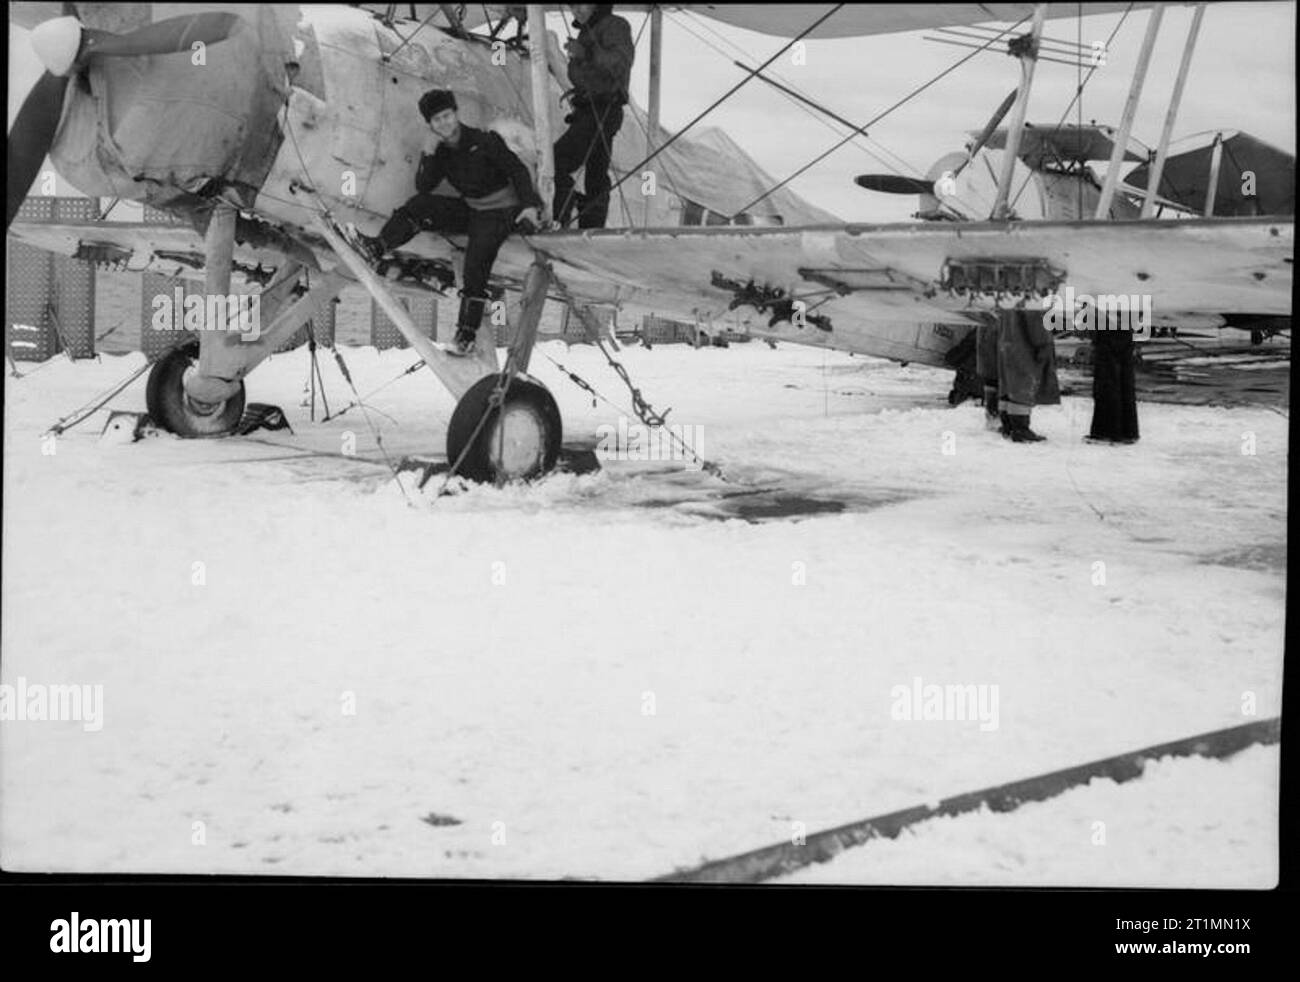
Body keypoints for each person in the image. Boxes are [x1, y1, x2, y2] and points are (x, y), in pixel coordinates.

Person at [357, 89, 542, 355]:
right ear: (430, 125)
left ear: (456, 114)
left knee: (476, 264)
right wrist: (429, 153)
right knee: (419, 206)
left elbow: (517, 170)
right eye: (437, 120)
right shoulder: (441, 151)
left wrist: (529, 206)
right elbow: (424, 186)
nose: (444, 123)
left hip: (501, 212)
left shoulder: (485, 140)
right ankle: (376, 248)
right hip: (473, 210)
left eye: (447, 115)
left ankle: (466, 337)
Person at [552, 4, 635, 228]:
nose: (576, 10)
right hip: (592, 109)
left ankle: (559, 218)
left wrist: (585, 53)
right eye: (572, 6)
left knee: (556, 162)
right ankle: (592, 225)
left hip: (602, 109)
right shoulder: (588, 30)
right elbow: (579, 75)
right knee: (596, 175)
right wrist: (580, 57)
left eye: (582, 4)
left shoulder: (615, 25)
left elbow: (619, 62)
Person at [976, 307, 1060, 441]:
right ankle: (1020, 429)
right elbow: (1037, 322)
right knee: (1022, 386)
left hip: (1006, 342)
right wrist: (1045, 343)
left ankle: (1007, 425)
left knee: (1008, 386)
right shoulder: (1033, 300)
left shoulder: (1010, 297)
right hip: (1023, 344)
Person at [1086, 324, 1139, 444]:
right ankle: (1128, 431)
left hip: (1108, 331)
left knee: (1106, 382)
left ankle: (1107, 431)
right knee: (1125, 380)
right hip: (1125, 330)